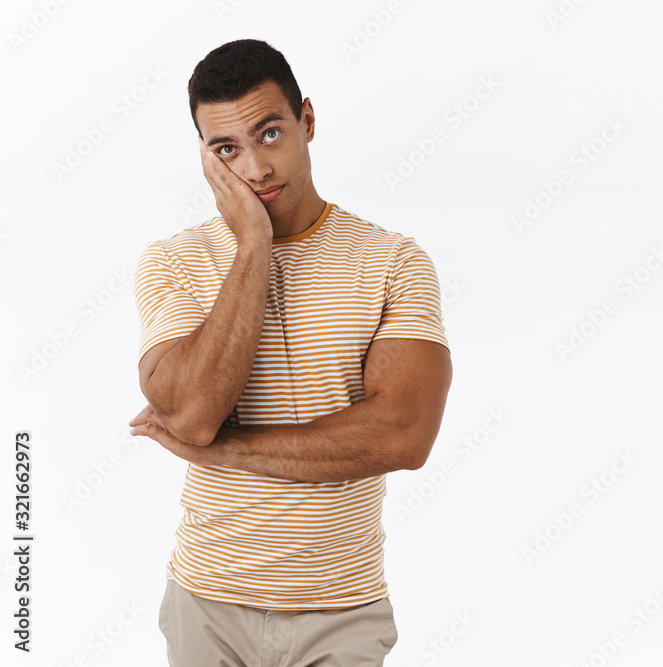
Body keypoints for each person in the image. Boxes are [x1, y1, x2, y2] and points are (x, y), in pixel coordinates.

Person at [128, 38, 453, 666]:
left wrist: (224, 449)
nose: (253, 169)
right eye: (227, 149)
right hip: (207, 603)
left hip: (343, 611)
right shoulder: (172, 262)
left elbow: (403, 436)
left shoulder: (394, 261)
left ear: (306, 119)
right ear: (204, 156)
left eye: (269, 133)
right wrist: (253, 244)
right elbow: (194, 412)